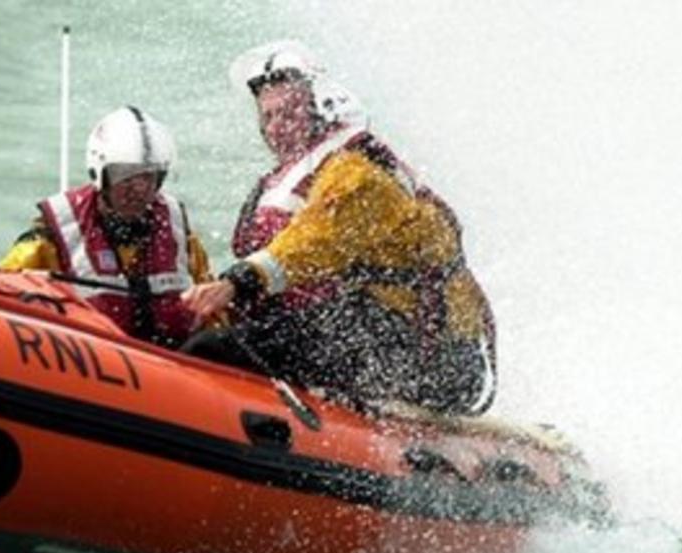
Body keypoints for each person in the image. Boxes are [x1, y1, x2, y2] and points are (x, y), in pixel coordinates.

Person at [182, 42, 497, 415]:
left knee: (212, 350)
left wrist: (236, 283)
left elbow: (313, 242)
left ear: (321, 109)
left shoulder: (356, 174)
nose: (276, 128)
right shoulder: (310, 173)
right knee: (236, 336)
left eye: (289, 113)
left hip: (435, 357)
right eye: (267, 117)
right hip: (378, 330)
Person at [0, 106, 212, 348]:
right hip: (90, 362)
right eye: (126, 175)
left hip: (169, 367)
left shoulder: (179, 235)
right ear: (101, 174)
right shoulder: (55, 236)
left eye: (148, 176)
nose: (139, 188)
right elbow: (0, 287)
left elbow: (211, 305)